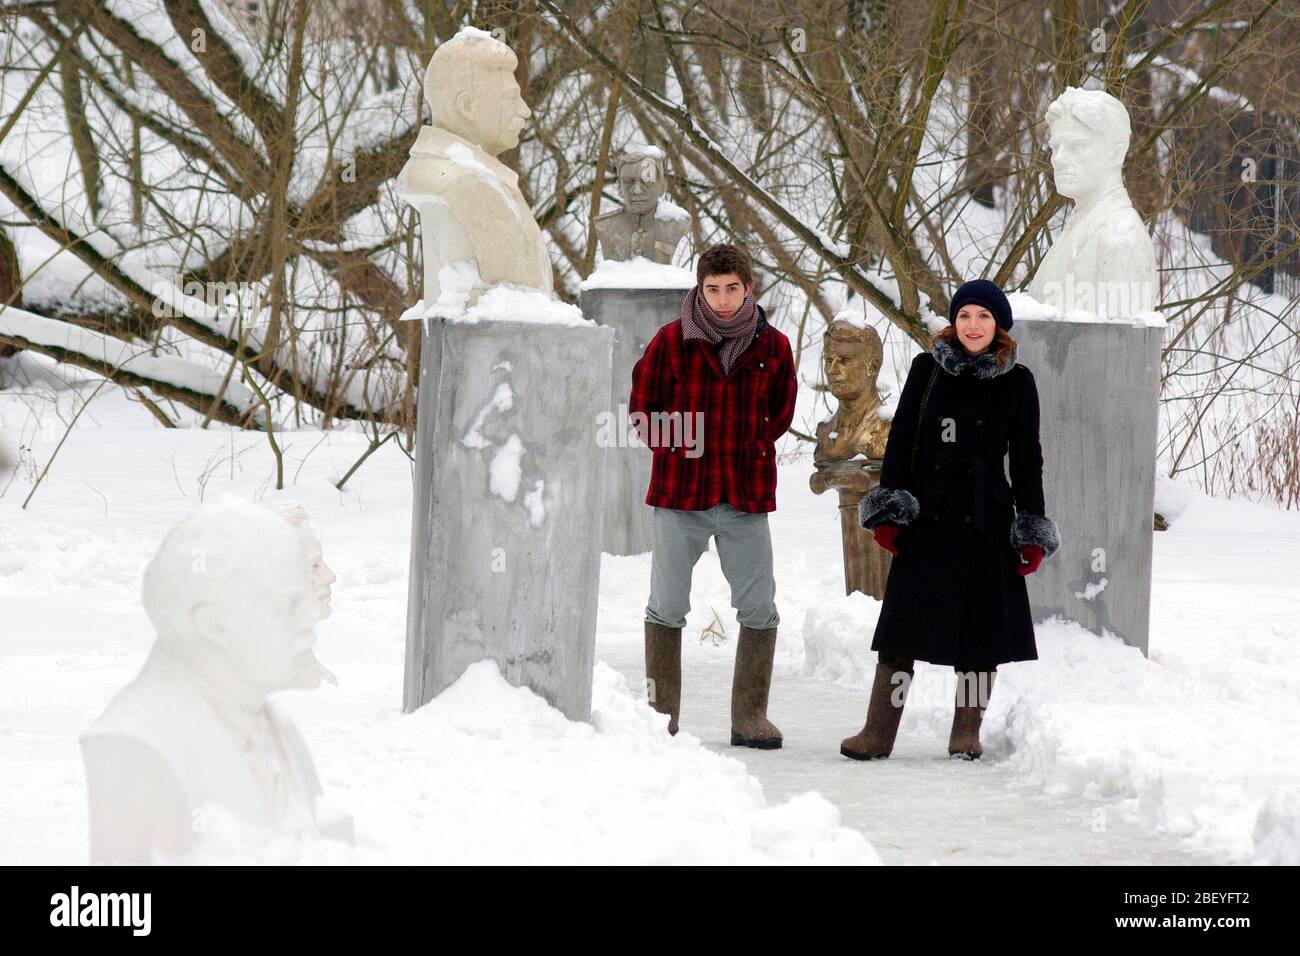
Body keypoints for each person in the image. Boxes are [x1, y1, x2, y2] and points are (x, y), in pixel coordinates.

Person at [843, 279, 1060, 761]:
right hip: (928, 516)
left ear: (999, 325)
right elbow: (901, 440)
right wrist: (890, 508)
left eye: (983, 317)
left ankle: (967, 731)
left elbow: (1028, 460)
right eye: (965, 316)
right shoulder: (928, 370)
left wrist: (1031, 528)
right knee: (902, 631)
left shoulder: (1018, 381)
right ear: (953, 321)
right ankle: (879, 731)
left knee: (980, 635)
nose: (973, 325)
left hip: (987, 519)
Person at [628, 244, 798, 748]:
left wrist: (750, 443)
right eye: (712, 289)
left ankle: (750, 717)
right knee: (666, 605)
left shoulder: (774, 347)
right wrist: (682, 444)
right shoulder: (671, 342)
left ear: (749, 288)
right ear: (698, 290)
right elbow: (641, 412)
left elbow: (781, 413)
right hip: (682, 495)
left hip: (745, 495)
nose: (722, 300)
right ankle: (661, 717)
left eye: (732, 289)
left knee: (759, 606)